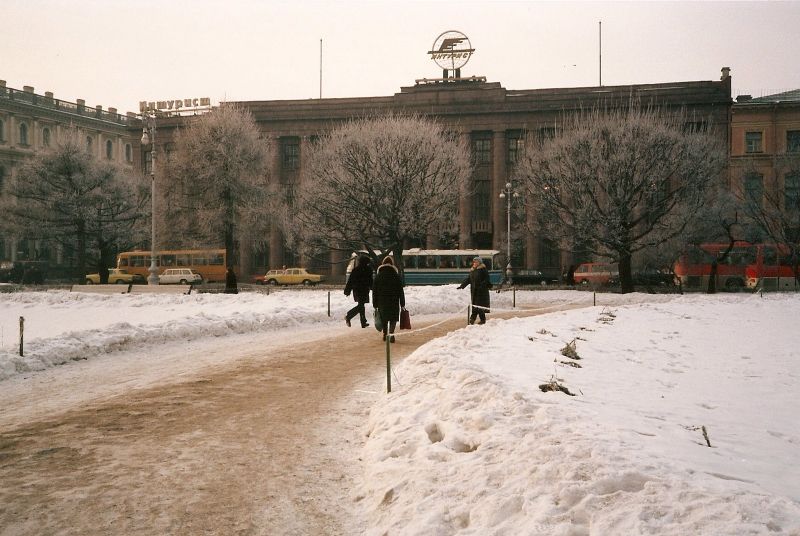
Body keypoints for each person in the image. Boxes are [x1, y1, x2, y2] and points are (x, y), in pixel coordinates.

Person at [372, 256, 405, 343]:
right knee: (393, 318)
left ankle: (385, 334)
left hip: (382, 301)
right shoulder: (396, 276)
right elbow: (400, 290)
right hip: (394, 300)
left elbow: (374, 291)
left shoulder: (378, 276)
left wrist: (374, 303)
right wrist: (402, 303)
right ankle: (391, 333)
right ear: (392, 264)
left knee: (384, 318)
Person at [458, 256, 491, 325]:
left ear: (479, 262)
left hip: (481, 291)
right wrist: (462, 286)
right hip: (474, 290)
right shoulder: (472, 270)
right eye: (474, 261)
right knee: (475, 305)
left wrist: (482, 286)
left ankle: (475, 319)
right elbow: (468, 279)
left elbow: (486, 279)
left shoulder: (483, 269)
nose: (475, 263)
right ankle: (475, 319)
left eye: (476, 261)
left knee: (479, 305)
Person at [344, 255, 373, 328]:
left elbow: (350, 281)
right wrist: (373, 288)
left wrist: (347, 290)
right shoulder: (368, 270)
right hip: (364, 290)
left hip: (357, 290)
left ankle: (363, 322)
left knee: (361, 305)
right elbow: (370, 281)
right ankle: (349, 316)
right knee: (361, 305)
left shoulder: (356, 270)